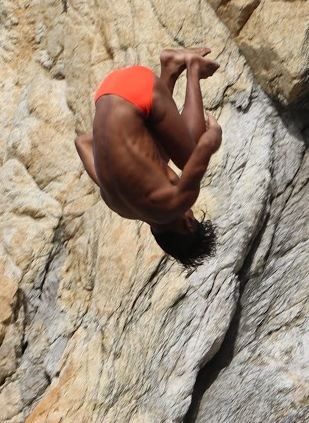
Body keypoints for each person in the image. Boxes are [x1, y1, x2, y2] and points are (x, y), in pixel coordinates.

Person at [75, 47, 223, 266]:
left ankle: (194, 69)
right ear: (156, 235)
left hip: (138, 87)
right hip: (105, 91)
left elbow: (204, 147)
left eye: (191, 214)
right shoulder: (119, 206)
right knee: (156, 156)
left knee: (189, 159)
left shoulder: (176, 204)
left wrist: (215, 136)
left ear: (188, 224)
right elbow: (82, 142)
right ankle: (171, 67)